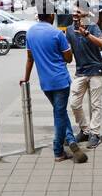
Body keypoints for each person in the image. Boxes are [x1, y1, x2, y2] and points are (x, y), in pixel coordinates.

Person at [22, 12, 87, 164]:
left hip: (45, 83)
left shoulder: (30, 33)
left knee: (60, 112)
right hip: (60, 81)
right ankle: (58, 151)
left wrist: (25, 78)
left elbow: (30, 58)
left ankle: (70, 140)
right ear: (51, 16)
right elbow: (68, 58)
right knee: (59, 115)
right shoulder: (57, 33)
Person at [66, 5, 102, 149]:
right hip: (80, 72)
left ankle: (95, 133)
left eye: (78, 11)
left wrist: (86, 34)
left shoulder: (93, 26)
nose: (74, 14)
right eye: (73, 11)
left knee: (95, 104)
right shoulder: (70, 30)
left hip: (95, 70)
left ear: (84, 13)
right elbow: (68, 53)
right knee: (74, 103)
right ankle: (85, 130)